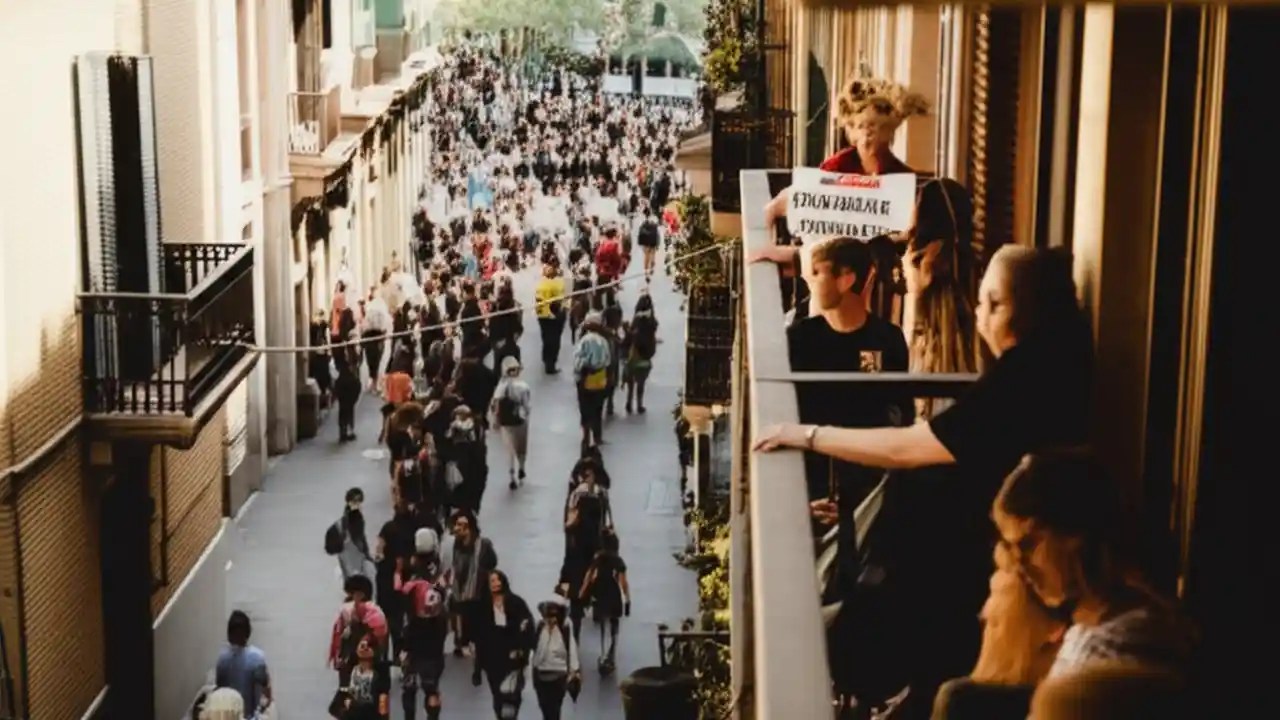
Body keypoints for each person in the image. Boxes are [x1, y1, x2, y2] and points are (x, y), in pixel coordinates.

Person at [473, 570, 536, 720]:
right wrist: (477, 668)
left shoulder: (516, 602)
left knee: (513, 693)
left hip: (513, 657)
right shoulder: (483, 606)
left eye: (498, 580)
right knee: (498, 694)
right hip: (492, 658)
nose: (496, 584)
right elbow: (479, 636)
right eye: (492, 581)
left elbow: (528, 624)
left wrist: (525, 648)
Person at [531, 597, 582, 720]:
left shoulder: (565, 629)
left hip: (559, 674)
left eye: (553, 617)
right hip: (540, 674)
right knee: (544, 707)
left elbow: (572, 649)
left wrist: (574, 671)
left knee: (554, 708)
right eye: (547, 617)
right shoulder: (540, 628)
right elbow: (536, 653)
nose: (550, 620)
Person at [214, 611, 271, 720]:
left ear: (229, 634)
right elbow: (267, 697)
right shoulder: (257, 658)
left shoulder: (222, 659)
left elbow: (219, 692)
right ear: (247, 633)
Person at [490, 355, 532, 489]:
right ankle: (522, 467)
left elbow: (495, 404)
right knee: (521, 447)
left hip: (506, 423)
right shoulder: (523, 386)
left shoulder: (501, 386)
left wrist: (495, 420)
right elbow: (527, 406)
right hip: (520, 420)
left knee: (510, 450)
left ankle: (511, 475)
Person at [534, 263, 567, 374]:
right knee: (554, 341)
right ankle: (550, 364)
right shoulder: (557, 283)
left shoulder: (541, 283)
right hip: (553, 316)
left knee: (546, 339)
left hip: (543, 316)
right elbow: (562, 300)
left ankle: (546, 360)